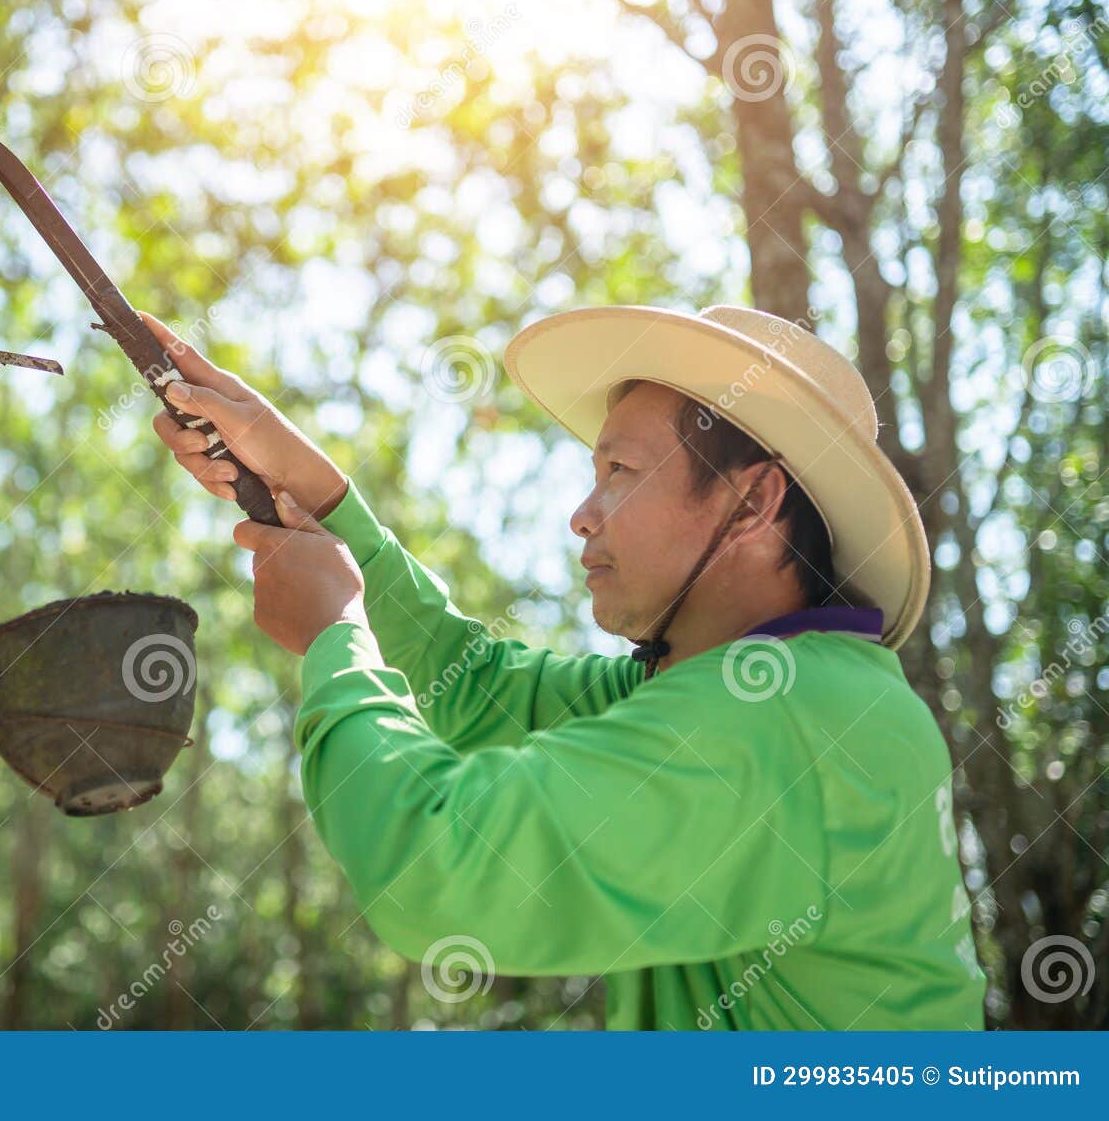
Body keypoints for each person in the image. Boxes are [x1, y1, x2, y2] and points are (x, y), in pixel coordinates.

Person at [141, 305, 987, 1030]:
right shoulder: (739, 684)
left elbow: (439, 869)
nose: (584, 514)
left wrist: (335, 632)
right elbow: (468, 687)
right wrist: (317, 495)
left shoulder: (795, 716)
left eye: (620, 470)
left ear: (751, 502)